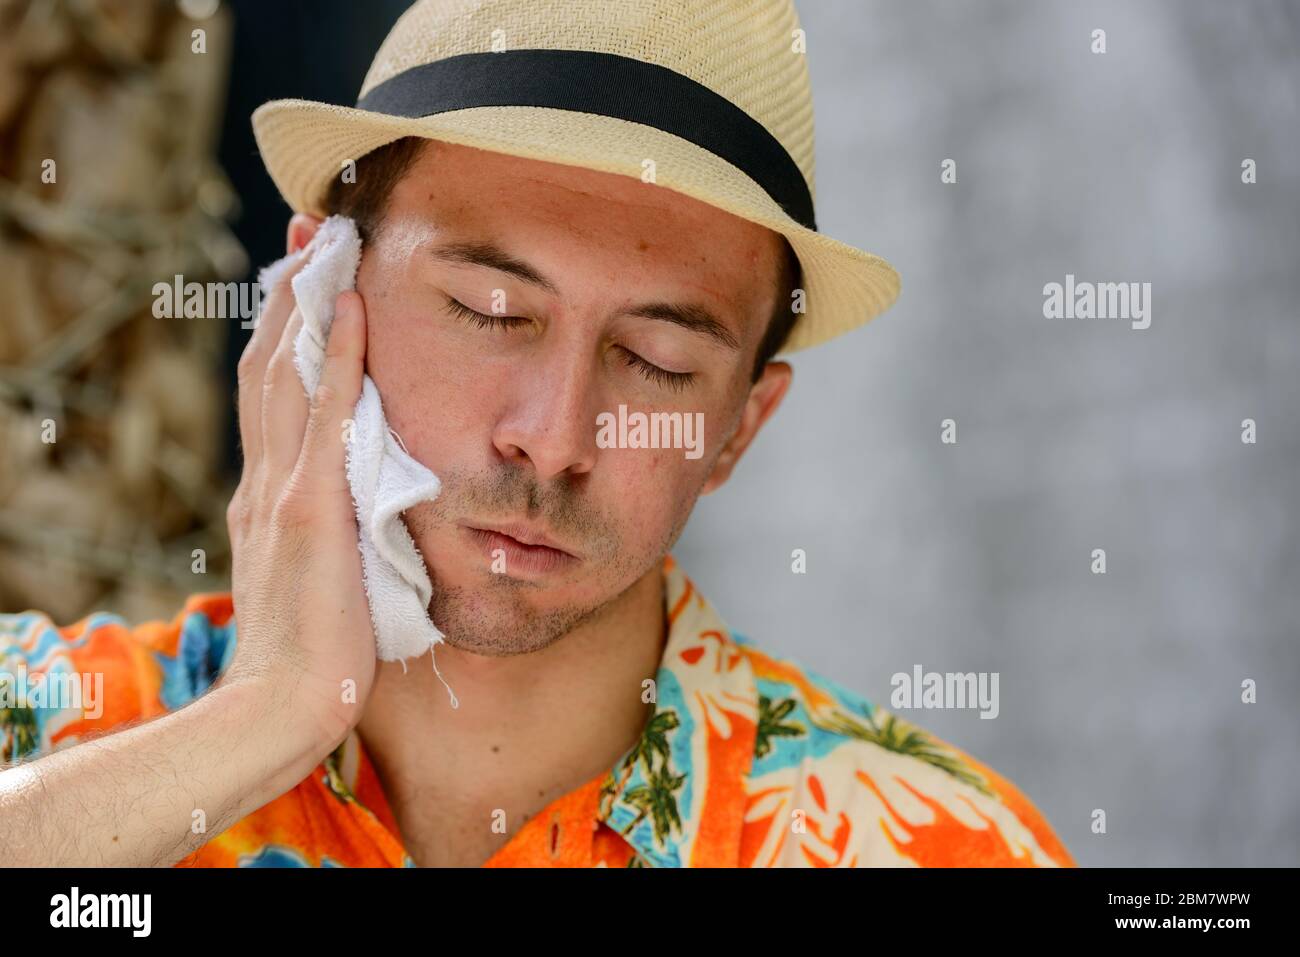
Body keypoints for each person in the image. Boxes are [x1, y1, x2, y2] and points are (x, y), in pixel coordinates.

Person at [0, 0, 1074, 868]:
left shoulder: (928, 846)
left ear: (740, 427)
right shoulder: (45, 721)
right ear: (319, 313)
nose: (554, 438)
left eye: (657, 361)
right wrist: (268, 715)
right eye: (490, 312)